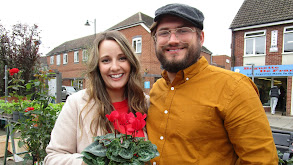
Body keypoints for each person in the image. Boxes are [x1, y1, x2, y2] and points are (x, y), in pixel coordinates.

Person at [146, 3, 278, 164]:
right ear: (155, 40)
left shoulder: (234, 87)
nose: (172, 40)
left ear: (200, 38)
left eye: (183, 30)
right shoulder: (156, 89)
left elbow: (260, 160)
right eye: (164, 32)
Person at [44, 31, 149, 165]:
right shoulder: (77, 104)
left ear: (131, 62)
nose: (115, 67)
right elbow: (52, 158)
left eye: (122, 58)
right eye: (106, 60)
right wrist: (87, 162)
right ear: (97, 66)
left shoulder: (145, 103)